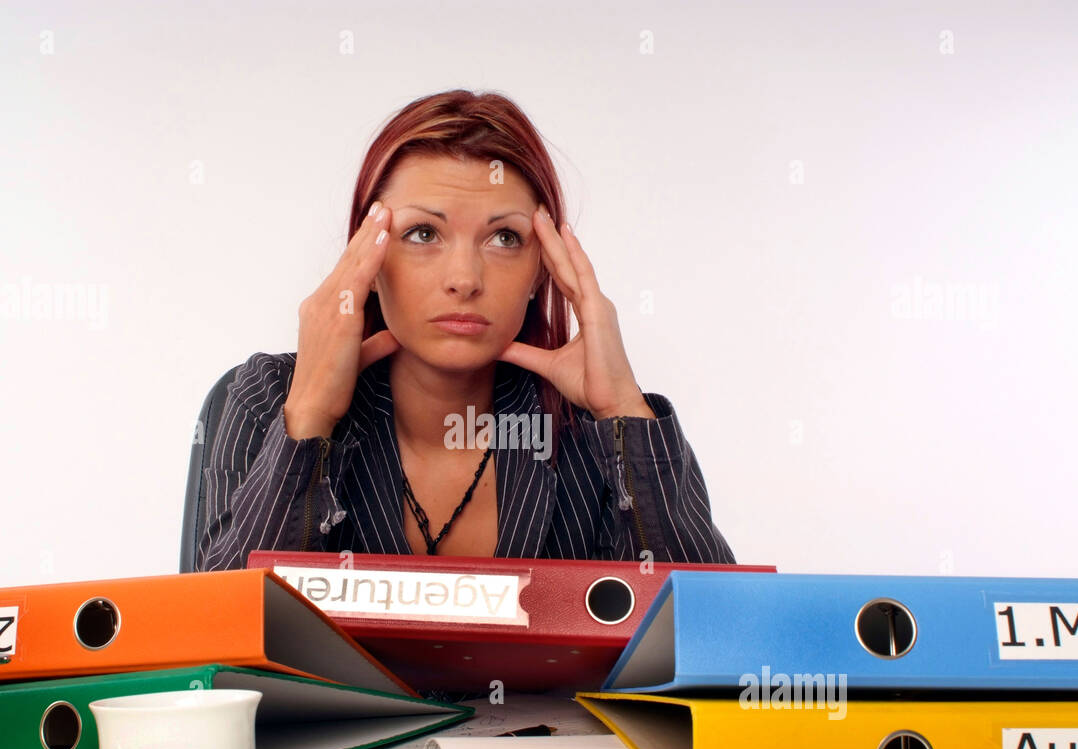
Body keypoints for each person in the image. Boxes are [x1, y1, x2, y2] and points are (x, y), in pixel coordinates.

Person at [196, 90, 735, 571]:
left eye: (503, 238)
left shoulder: (591, 431)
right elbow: (212, 637)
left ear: (541, 269)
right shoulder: (270, 397)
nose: (464, 280)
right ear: (369, 257)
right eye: (423, 232)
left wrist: (621, 407)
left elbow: (713, 639)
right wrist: (311, 413)